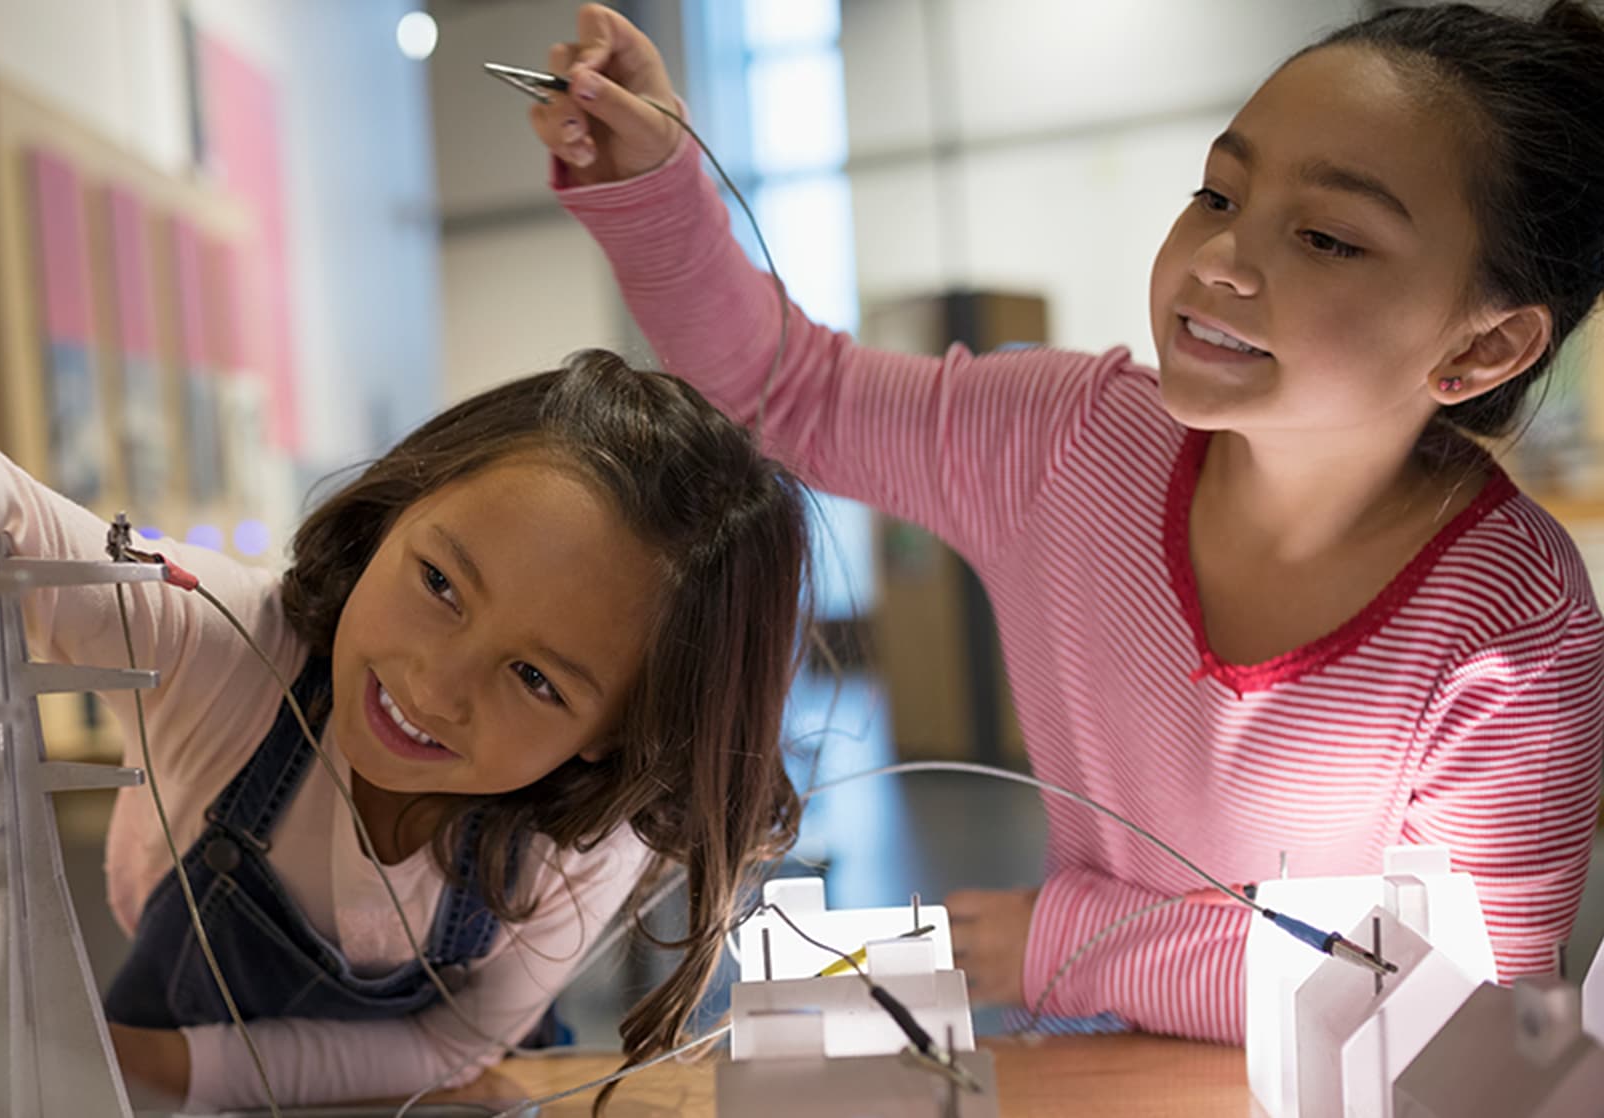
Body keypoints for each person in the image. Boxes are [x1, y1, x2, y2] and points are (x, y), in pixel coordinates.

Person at [527, 2, 1604, 1041]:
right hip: (1089, 1062)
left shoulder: (1515, 622)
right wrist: (653, 184)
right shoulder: (1068, 443)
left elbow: (1463, 999)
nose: (1219, 261)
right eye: (1217, 195)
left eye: (1324, 236)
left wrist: (1066, 938)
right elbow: (789, 390)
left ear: (1482, 349)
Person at [0, 349, 811, 1108]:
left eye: (534, 676)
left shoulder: (589, 838)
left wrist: (170, 1060)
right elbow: (5, 507)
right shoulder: (230, 645)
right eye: (438, 581)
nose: (435, 680)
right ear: (391, 512)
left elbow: (451, 1048)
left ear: (619, 736)